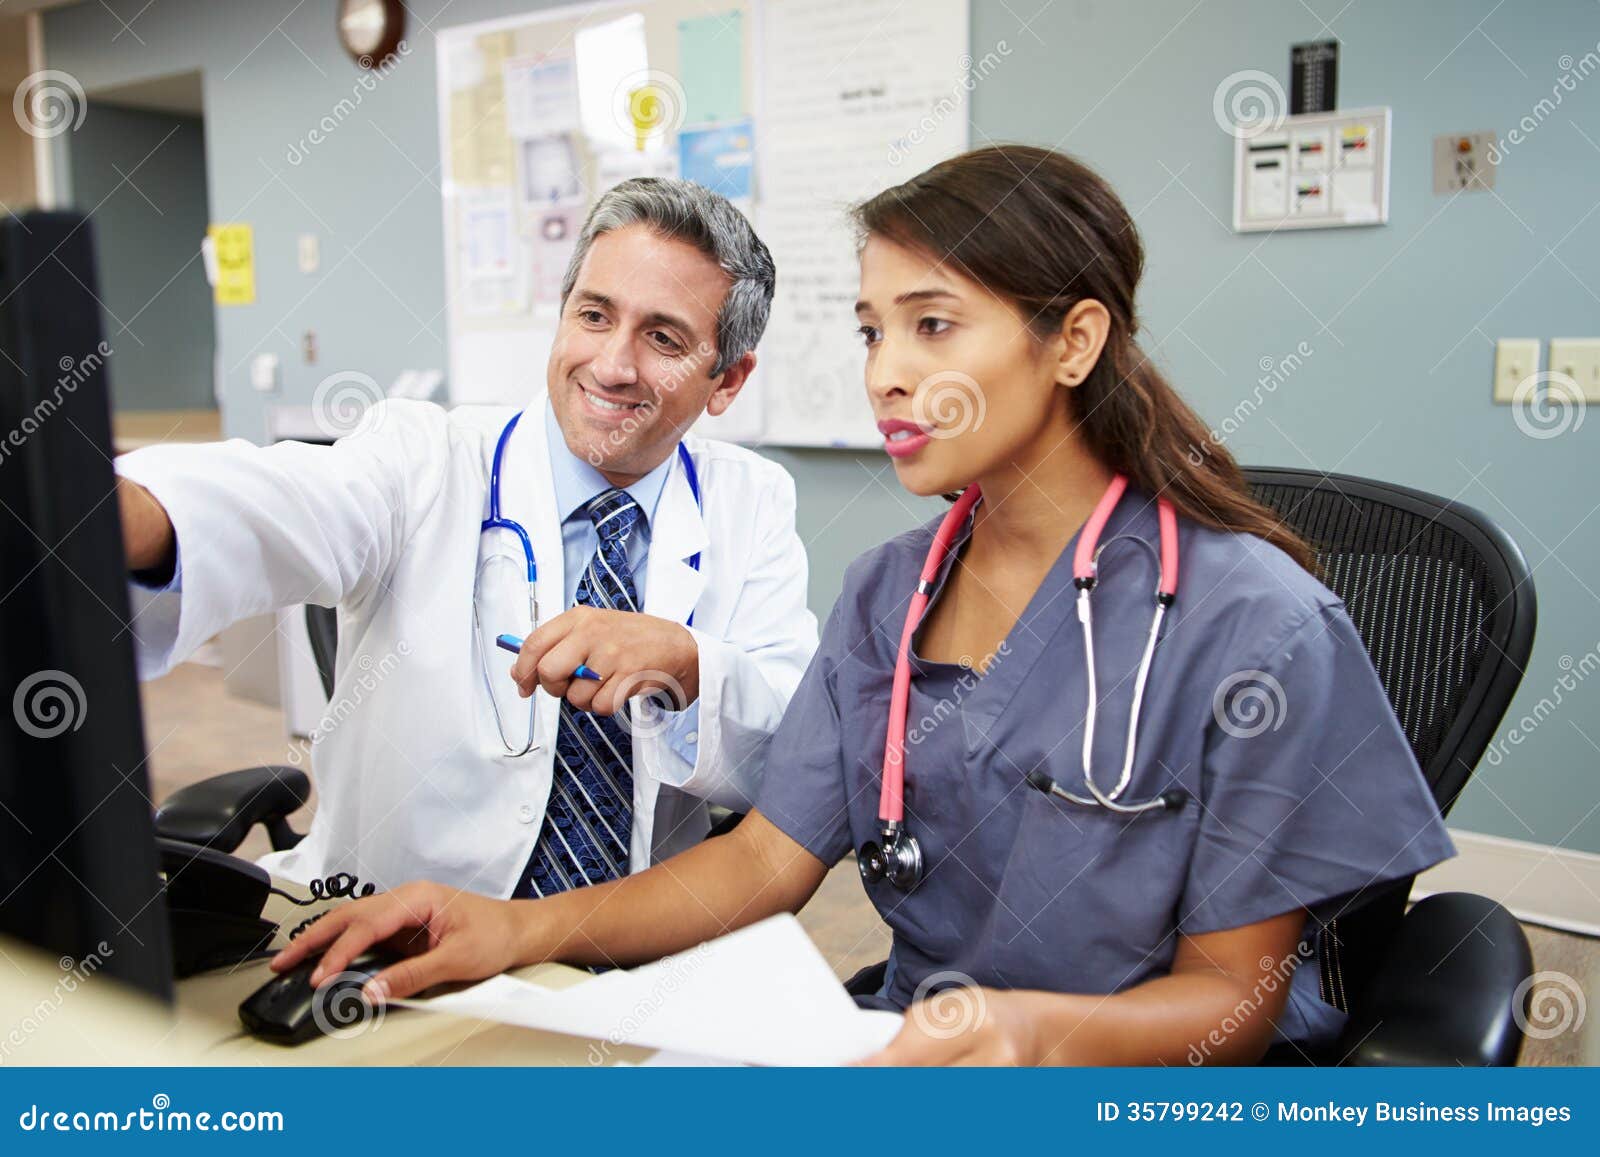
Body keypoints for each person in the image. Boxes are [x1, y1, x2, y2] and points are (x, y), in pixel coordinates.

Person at [271, 146, 1455, 1065]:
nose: (885, 371)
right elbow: (761, 867)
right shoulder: (891, 594)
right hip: (902, 1045)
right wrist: (515, 929)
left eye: (931, 324)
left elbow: (1233, 1006)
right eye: (871, 329)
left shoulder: (1258, 623)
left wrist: (1024, 1033)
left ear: (1073, 340)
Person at [116, 178, 818, 898]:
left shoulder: (752, 501)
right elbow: (278, 503)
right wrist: (118, 513)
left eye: (663, 337)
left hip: (624, 948)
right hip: (395, 931)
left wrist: (689, 663)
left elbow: (793, 742)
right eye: (595, 315)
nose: (612, 364)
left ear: (727, 378)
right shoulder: (424, 454)